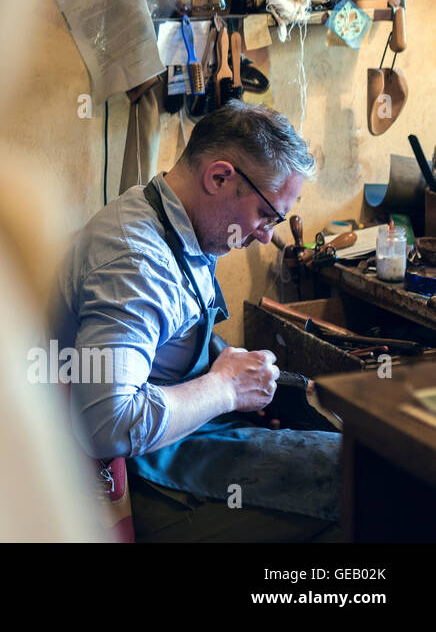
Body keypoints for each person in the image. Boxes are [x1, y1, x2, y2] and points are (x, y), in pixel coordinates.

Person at [52, 101, 342, 541]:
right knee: (364, 482)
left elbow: (172, 332)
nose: (267, 235)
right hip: (135, 472)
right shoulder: (135, 261)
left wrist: (239, 376)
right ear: (220, 177)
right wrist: (225, 389)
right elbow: (107, 426)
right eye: (266, 215)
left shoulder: (168, 215)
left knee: (360, 452)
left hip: (179, 435)